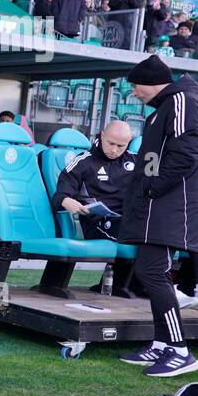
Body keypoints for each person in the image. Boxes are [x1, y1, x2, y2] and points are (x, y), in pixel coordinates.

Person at [118, 55, 198, 377]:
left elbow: (189, 150)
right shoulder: (162, 110)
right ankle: (161, 344)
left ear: (151, 82)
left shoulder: (183, 99)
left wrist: (154, 186)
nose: (134, 94)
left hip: (170, 206)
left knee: (153, 273)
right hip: (155, 206)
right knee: (148, 272)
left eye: (135, 87)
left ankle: (180, 350)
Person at [52, 119, 136, 295]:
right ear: (102, 135)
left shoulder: (135, 161)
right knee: (134, 231)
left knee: (156, 229)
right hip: (97, 223)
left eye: (121, 146)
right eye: (111, 143)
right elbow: (60, 196)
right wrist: (68, 201)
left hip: (127, 219)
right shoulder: (83, 161)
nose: (114, 150)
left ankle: (136, 285)